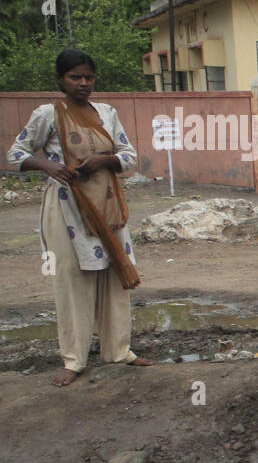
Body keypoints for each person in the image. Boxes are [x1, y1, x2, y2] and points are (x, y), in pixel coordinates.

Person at [8, 49, 154, 386]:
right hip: (67, 207)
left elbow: (128, 155)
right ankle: (73, 359)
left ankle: (119, 350)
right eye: (75, 77)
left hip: (107, 204)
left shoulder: (106, 113)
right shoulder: (47, 114)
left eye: (88, 77)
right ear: (60, 79)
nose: (83, 83)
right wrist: (47, 165)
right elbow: (16, 153)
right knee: (73, 280)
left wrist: (103, 162)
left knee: (116, 277)